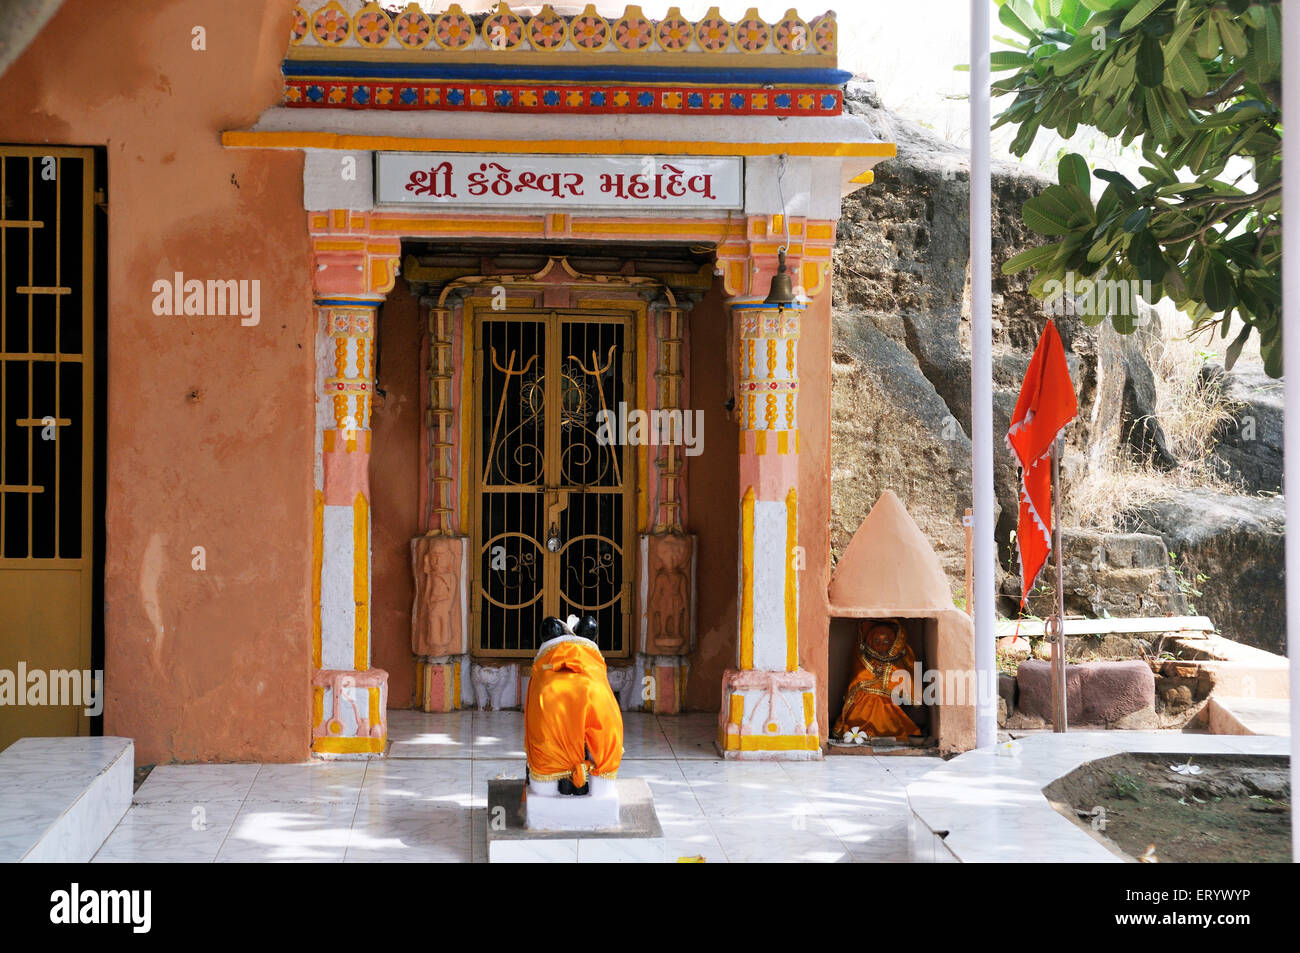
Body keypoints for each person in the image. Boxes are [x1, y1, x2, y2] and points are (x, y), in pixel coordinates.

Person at [524, 614, 623, 796]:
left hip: (550, 703)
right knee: (603, 740)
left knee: (547, 737)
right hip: (594, 694)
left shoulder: (544, 667)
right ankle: (600, 786)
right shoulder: (593, 666)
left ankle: (547, 787)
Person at [833, 619, 922, 742]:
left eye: (886, 642)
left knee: (891, 716)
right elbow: (858, 678)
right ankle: (859, 734)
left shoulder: (897, 661)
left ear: (893, 643)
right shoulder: (863, 659)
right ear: (869, 640)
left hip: (887, 702)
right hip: (864, 701)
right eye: (877, 641)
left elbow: (903, 680)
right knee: (860, 708)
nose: (881, 646)